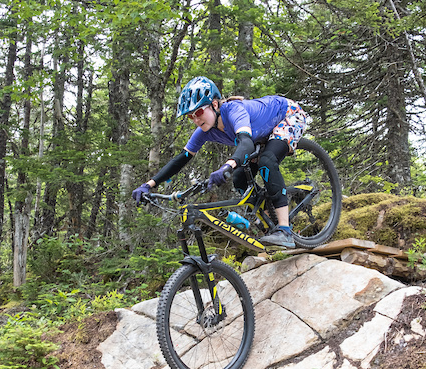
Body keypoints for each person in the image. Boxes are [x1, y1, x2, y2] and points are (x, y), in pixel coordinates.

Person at [132, 76, 308, 249]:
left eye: (198, 112)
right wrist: (149, 185)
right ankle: (268, 212)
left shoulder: (233, 110)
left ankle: (285, 230)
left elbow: (245, 143)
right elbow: (181, 159)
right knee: (239, 178)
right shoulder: (205, 130)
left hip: (287, 114)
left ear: (214, 105)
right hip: (261, 134)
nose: (195, 120)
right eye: (190, 117)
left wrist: (227, 166)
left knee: (267, 162)